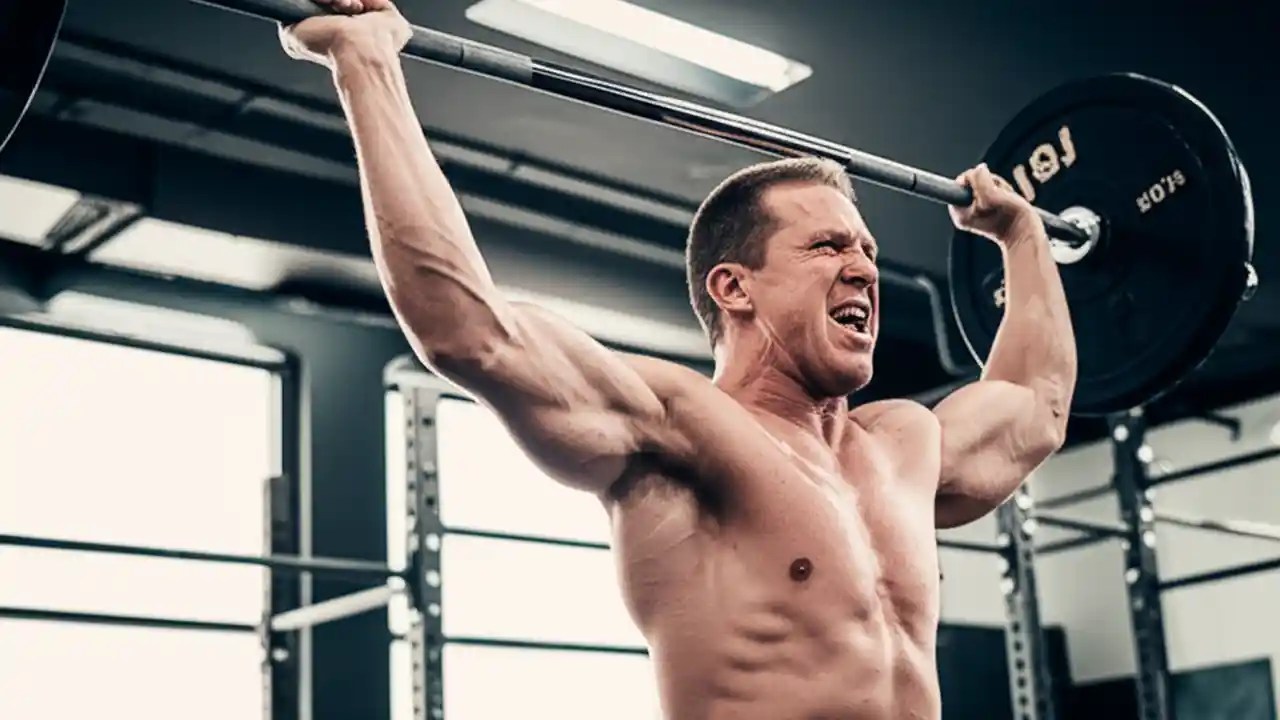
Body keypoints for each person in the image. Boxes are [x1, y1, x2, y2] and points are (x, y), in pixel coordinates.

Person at [281, 1, 1078, 717]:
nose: (865, 269)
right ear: (734, 288)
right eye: (828, 246)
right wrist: (367, 65)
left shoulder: (903, 446)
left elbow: (1037, 405)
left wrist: (1023, 235)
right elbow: (469, 331)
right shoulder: (677, 426)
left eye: (867, 251)